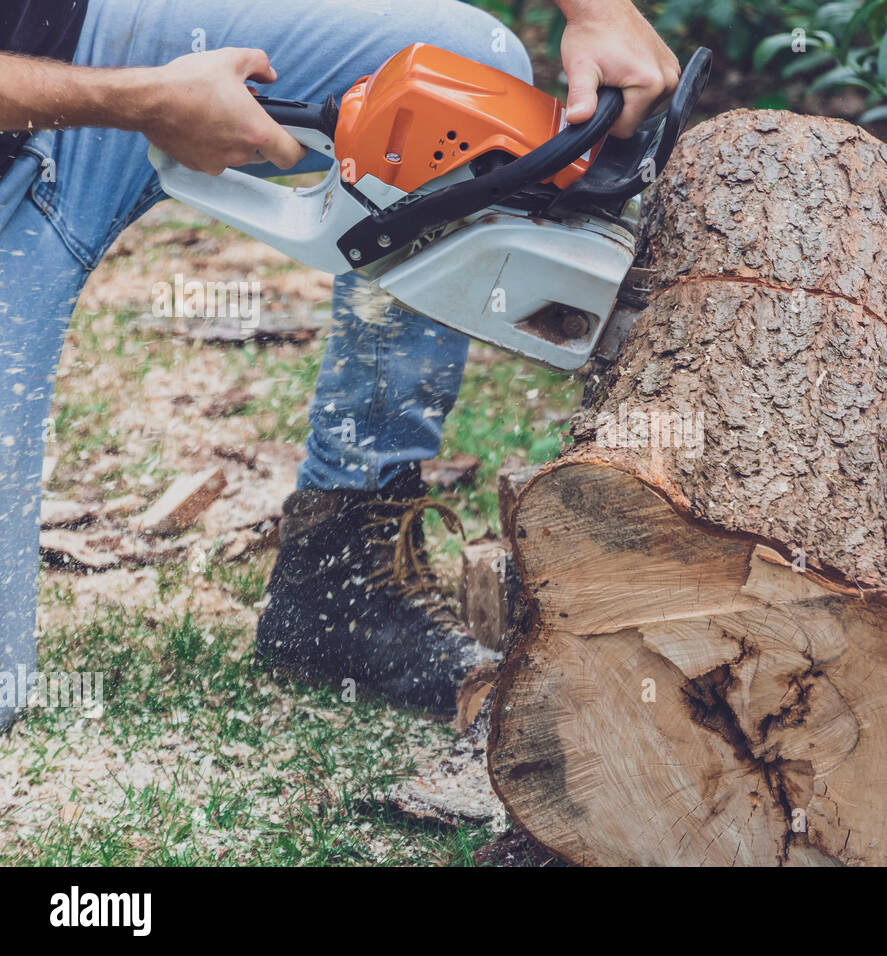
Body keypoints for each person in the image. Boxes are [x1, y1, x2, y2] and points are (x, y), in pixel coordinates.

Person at [0, 0, 681, 730]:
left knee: (461, 65)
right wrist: (138, 101)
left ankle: (342, 568)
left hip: (79, 31)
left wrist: (596, 10)